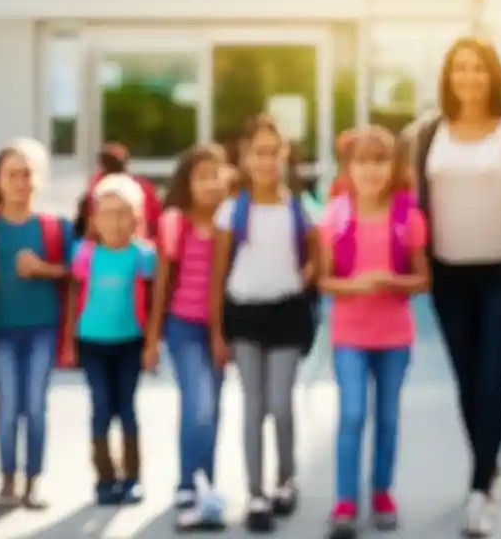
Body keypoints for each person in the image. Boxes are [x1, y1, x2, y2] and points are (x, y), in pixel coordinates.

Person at [410, 37, 501, 537]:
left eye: (477, 68)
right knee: (467, 384)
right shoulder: (429, 134)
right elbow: (413, 205)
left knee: (491, 381)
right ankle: (489, 468)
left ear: (493, 75)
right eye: (459, 68)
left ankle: (479, 487)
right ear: (448, 78)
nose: (468, 77)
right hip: (448, 277)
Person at [318, 126, 430, 539]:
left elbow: (422, 279)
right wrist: (356, 286)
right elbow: (324, 281)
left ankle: (382, 492)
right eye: (362, 161)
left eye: (380, 161)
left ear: (393, 167)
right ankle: (345, 501)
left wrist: (392, 282)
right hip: (349, 334)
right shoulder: (334, 216)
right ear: (349, 168)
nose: (371, 170)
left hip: (394, 336)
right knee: (351, 414)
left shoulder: (408, 216)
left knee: (387, 416)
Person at [209, 115, 318, 532]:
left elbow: (316, 253)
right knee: (252, 406)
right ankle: (255, 493)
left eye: (273, 152)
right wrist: (218, 332)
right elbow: (219, 276)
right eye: (258, 152)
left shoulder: (298, 206)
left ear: (283, 156)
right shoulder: (229, 212)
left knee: (280, 402)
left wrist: (306, 275)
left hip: (287, 314)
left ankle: (286, 479)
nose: (266, 160)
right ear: (244, 157)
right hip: (244, 315)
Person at [144, 144, 230, 531]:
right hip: (183, 327)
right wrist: (151, 340)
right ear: (188, 182)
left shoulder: (230, 222)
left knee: (212, 408)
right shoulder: (175, 221)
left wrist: (223, 333)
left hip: (219, 328)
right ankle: (190, 483)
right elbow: (162, 284)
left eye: (217, 174)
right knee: (198, 405)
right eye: (202, 176)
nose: (211, 183)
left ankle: (200, 482)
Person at [0, 140, 72, 509]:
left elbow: (76, 272)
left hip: (42, 328)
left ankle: (33, 480)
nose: (20, 182)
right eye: (13, 174)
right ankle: (7, 479)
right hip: (0, 329)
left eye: (27, 174)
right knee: (8, 405)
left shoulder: (54, 227)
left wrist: (44, 269)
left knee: (35, 404)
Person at [70, 174, 158, 506]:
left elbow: (152, 301)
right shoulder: (84, 253)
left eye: (123, 213)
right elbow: (74, 296)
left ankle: (133, 478)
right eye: (107, 213)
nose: (115, 222)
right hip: (92, 342)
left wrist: (151, 343)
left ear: (136, 217)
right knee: (101, 407)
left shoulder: (143, 255)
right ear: (95, 219)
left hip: (129, 343)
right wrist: (68, 341)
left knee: (127, 408)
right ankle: (104, 478)